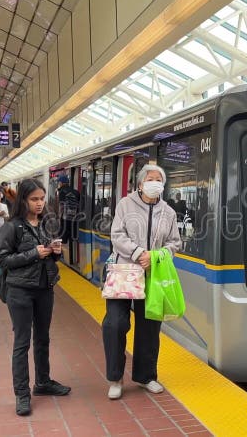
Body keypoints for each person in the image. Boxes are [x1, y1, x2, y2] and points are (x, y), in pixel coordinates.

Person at [103, 164, 182, 400]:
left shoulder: (168, 212)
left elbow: (175, 243)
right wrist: (139, 253)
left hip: (153, 274)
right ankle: (115, 378)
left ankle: (146, 376)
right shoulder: (125, 205)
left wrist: (156, 255)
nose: (155, 182)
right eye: (150, 178)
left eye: (159, 179)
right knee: (115, 324)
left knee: (149, 328)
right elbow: (117, 235)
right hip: (124, 270)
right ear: (140, 183)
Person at [0, 178, 70, 416]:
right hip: (20, 290)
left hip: (44, 288)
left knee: (43, 338)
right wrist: (32, 254)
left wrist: (55, 253)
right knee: (22, 342)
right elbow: (2, 260)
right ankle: (22, 394)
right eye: (34, 199)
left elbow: (49, 257)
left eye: (42, 199)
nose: (39, 204)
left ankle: (43, 382)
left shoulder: (47, 224)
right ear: (23, 200)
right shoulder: (12, 226)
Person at [56, 175, 80, 251]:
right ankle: (72, 252)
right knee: (73, 237)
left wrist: (59, 218)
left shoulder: (61, 192)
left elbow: (61, 206)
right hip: (75, 218)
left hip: (65, 218)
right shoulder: (76, 192)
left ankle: (62, 253)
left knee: (62, 237)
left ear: (61, 183)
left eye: (59, 182)